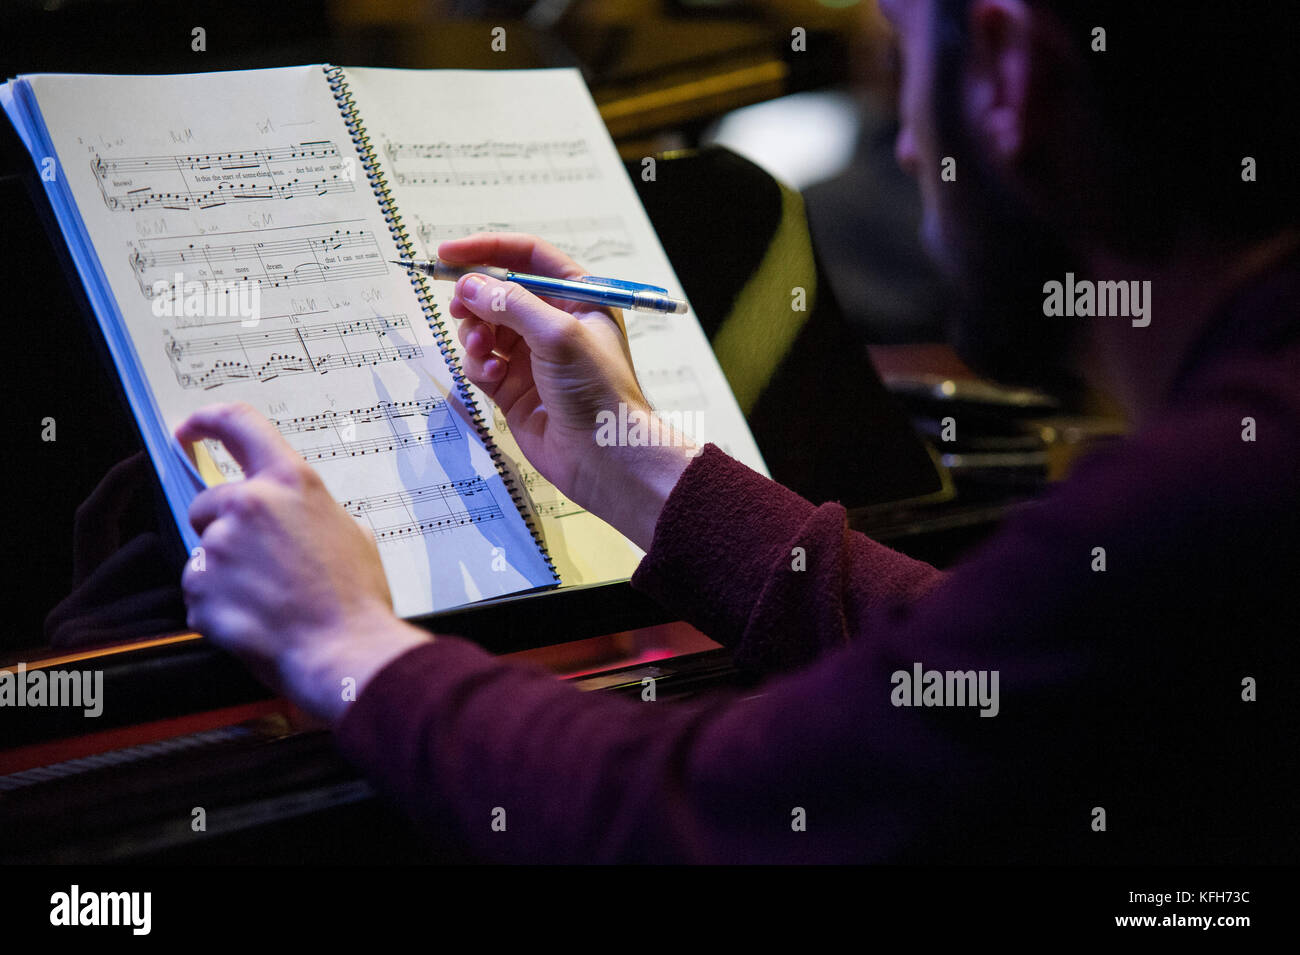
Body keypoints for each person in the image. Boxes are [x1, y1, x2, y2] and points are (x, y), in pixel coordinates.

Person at [175, 0, 1300, 862]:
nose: (908, 150)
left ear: (1005, 74)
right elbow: (971, 673)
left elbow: (704, 816)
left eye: (902, 63)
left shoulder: (1207, 499)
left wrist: (344, 647)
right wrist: (636, 465)